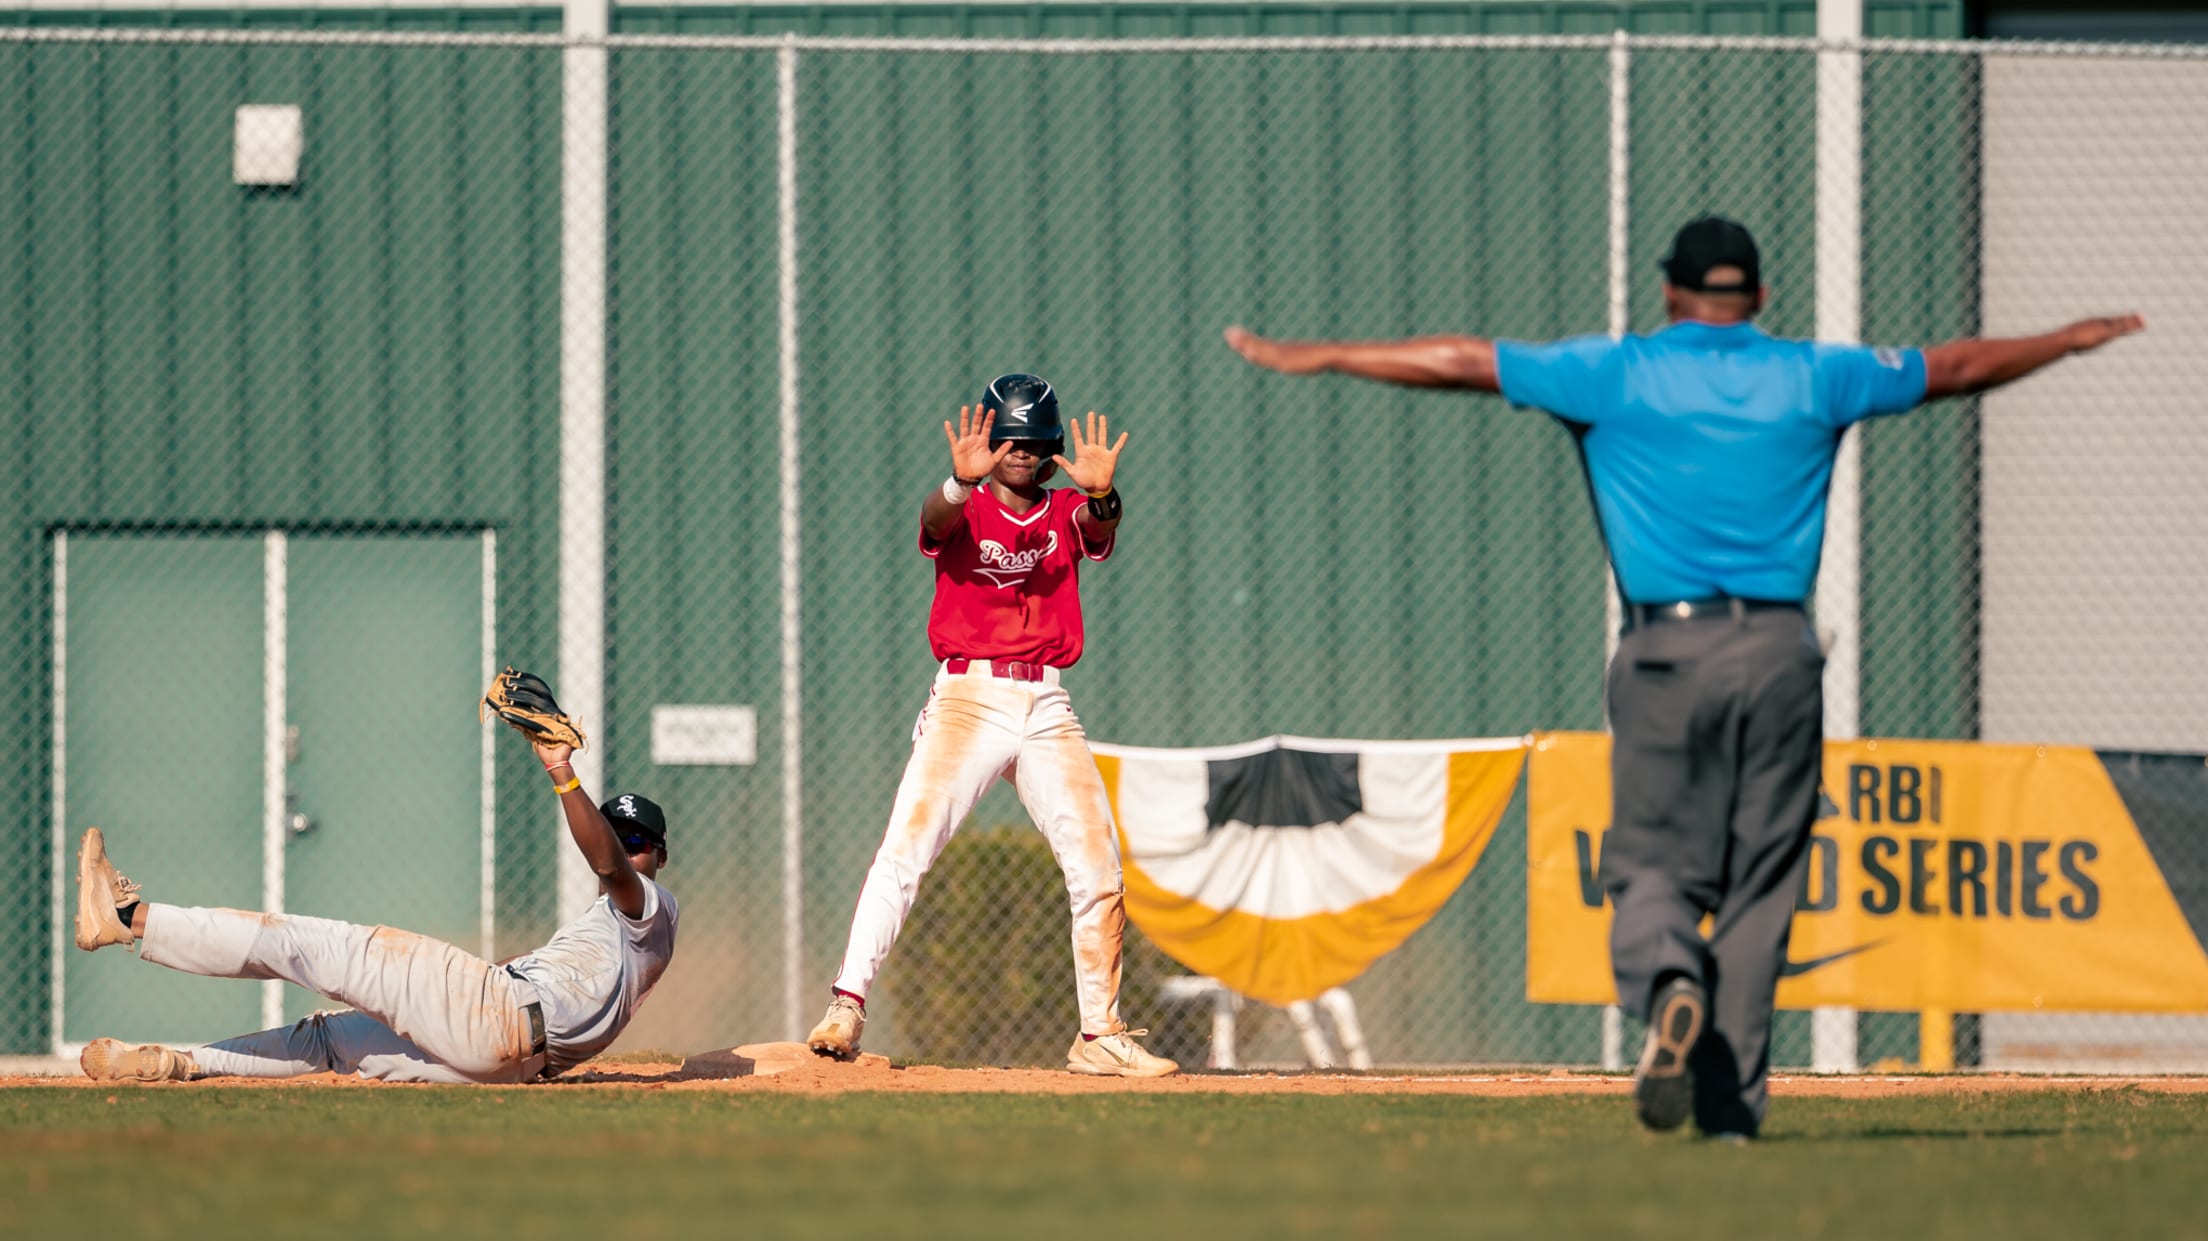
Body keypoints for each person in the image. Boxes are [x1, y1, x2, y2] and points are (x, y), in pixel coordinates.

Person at [1225, 215, 2143, 1136]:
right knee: (1761, 882)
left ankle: (1669, 979)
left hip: (1666, 651)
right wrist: (2062, 341)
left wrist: (1327, 353)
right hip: (1782, 654)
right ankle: (1731, 1113)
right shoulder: (1815, 375)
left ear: (1671, 292)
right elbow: (1954, 368)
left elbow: (1466, 361)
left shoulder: (1617, 371)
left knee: (1653, 862)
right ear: (1760, 296)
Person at [805, 373, 1177, 1078]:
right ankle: (846, 1004)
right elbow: (936, 522)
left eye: (1032, 441)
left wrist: (1103, 494)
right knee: (905, 852)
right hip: (968, 697)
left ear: (1049, 448)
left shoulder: (1066, 508)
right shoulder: (966, 508)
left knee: (1098, 868)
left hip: (1045, 704)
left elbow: (1097, 528)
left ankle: (1099, 1035)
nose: (1018, 452)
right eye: (1009, 438)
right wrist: (954, 481)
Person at [72, 699, 679, 1084]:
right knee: (329, 1040)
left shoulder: (650, 907)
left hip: (500, 1019)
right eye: (617, 833)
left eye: (637, 839)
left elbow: (608, 866)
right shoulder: (613, 934)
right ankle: (176, 1065)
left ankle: (127, 917)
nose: (626, 847)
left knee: (311, 945)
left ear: (661, 855)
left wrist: (559, 769)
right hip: (505, 1059)